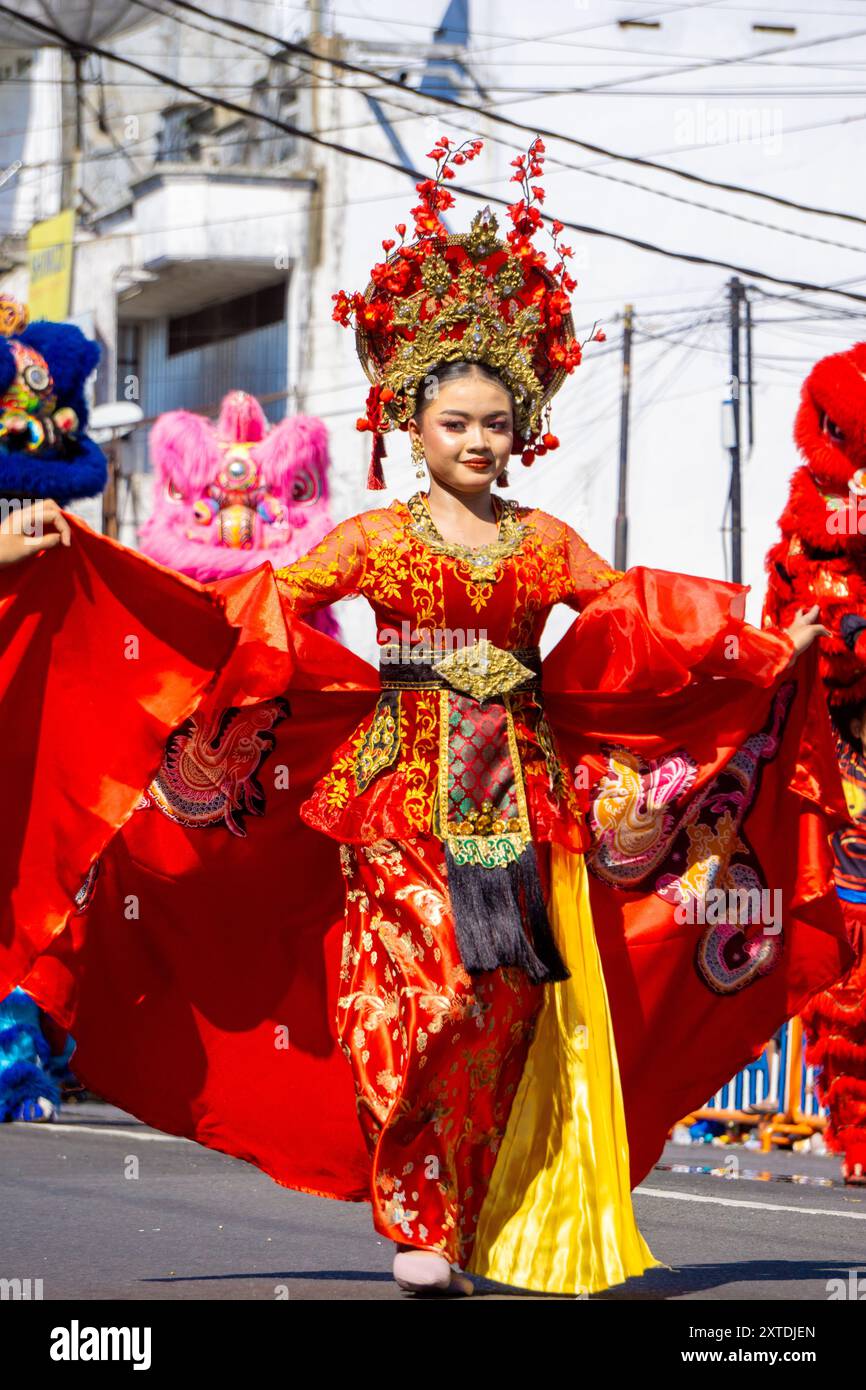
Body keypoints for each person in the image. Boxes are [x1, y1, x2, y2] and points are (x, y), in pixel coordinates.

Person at [0, 134, 853, 1299]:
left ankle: (450, 1214)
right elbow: (248, 612)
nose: (477, 440)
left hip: (509, 796)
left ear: (521, 428)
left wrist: (760, 647)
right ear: (412, 424)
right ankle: (415, 1206)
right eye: (456, 422)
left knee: (495, 1002)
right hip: (395, 784)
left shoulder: (541, 542)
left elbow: (642, 623)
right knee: (412, 986)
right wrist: (119, 588)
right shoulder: (376, 540)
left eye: (497, 422)